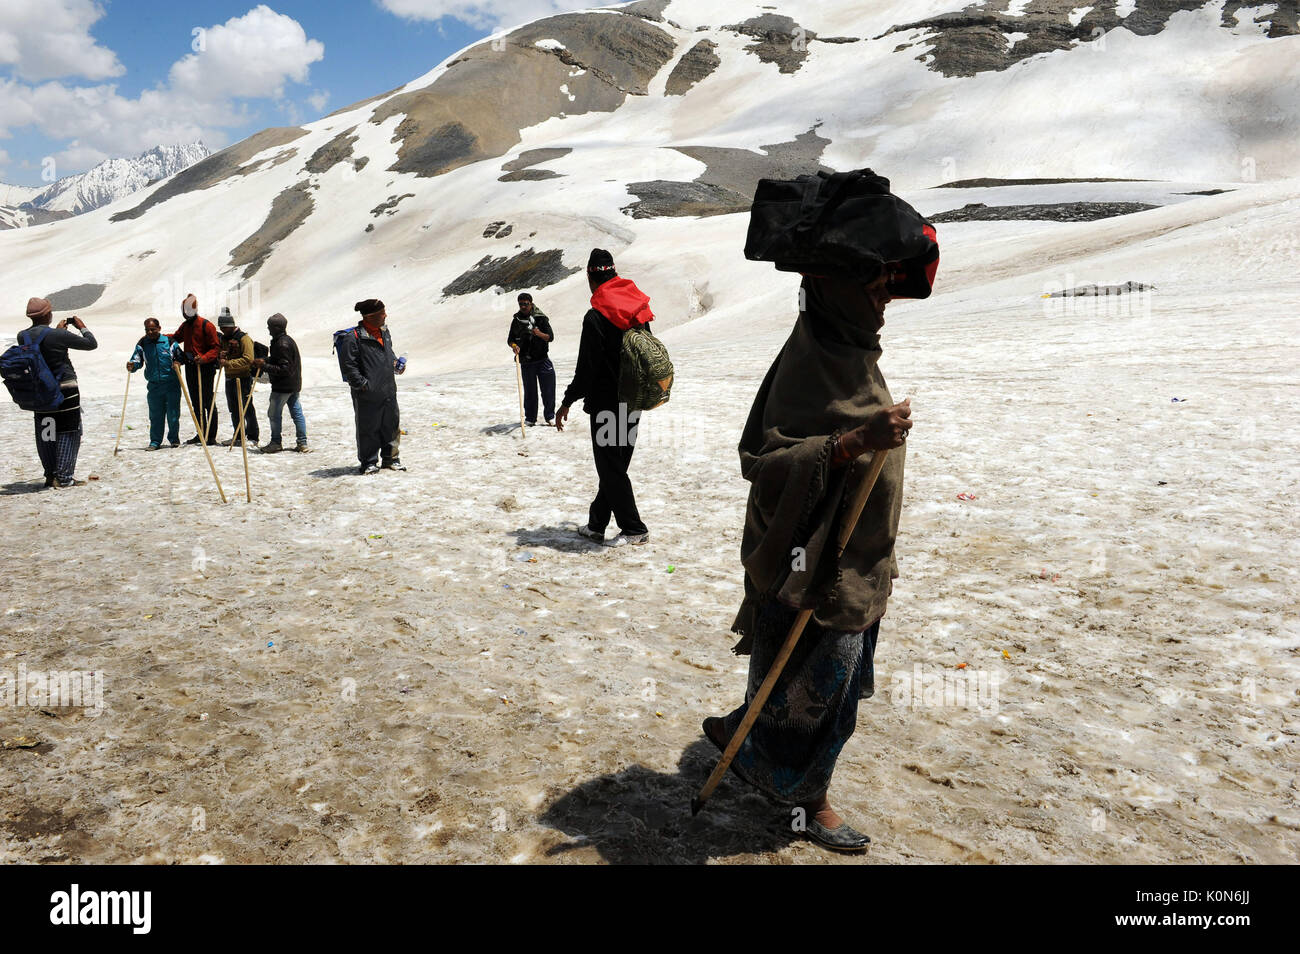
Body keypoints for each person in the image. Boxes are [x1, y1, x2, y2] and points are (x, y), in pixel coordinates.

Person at [701, 271, 913, 853]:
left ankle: (737, 729)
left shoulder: (853, 355)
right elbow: (765, 465)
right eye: (871, 287)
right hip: (810, 572)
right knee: (814, 699)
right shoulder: (808, 365)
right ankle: (808, 800)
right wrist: (852, 444)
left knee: (808, 685)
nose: (884, 298)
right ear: (836, 291)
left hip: (858, 566)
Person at [555, 249, 652, 546]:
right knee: (615, 467)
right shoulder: (636, 308)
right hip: (633, 400)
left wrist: (567, 401)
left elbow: (587, 368)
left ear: (590, 276)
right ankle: (597, 523)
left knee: (610, 468)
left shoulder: (596, 316)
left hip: (607, 404)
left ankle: (634, 529)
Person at [20, 297, 97, 488]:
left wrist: (56, 332)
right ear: (48, 314)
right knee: (69, 431)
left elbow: (43, 344)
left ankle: (50, 474)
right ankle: (64, 477)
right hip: (65, 388)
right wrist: (82, 327)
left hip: (40, 391)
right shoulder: (57, 336)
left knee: (47, 431)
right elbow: (91, 343)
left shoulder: (23, 335)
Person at [340, 298, 405, 474]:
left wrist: (396, 364)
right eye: (382, 313)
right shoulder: (353, 338)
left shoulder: (384, 332)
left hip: (388, 389)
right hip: (367, 393)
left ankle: (391, 459)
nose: (385, 316)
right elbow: (349, 366)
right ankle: (369, 461)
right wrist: (362, 385)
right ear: (370, 316)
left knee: (391, 425)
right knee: (368, 428)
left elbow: (389, 355)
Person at [127, 317, 184, 449]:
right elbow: (137, 360)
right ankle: (155, 441)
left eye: (153, 329)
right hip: (154, 385)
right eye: (147, 330)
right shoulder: (142, 344)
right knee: (155, 415)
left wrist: (177, 362)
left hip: (171, 383)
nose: (150, 332)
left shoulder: (169, 342)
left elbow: (180, 356)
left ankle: (174, 439)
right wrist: (132, 365)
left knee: (173, 414)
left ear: (159, 328)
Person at [255, 312, 308, 453]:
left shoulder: (282, 343)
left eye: (270, 326)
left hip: (282, 386)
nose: (268, 329)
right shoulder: (285, 340)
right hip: (293, 384)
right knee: (297, 413)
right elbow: (279, 360)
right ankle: (302, 443)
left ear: (277, 327)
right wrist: (265, 360)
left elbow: (284, 369)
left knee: (274, 414)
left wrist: (264, 366)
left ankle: (276, 442)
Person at [172, 294, 220, 445]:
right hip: (191, 368)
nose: (185, 313)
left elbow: (216, 348)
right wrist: (158, 337)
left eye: (187, 310)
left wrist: (204, 358)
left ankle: (210, 436)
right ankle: (201, 433)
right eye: (184, 310)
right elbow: (176, 337)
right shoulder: (185, 326)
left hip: (205, 368)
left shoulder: (207, 325)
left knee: (207, 401)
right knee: (196, 402)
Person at [508, 292, 556, 426]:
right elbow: (510, 339)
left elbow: (550, 337)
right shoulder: (516, 320)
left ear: (531, 303)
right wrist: (514, 346)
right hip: (526, 361)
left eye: (525, 304)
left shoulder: (540, 318)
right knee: (530, 392)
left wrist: (539, 333)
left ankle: (550, 416)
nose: (523, 306)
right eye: (521, 304)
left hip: (542, 360)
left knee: (548, 390)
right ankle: (530, 418)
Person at [216, 307, 260, 448]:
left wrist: (227, 363)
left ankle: (253, 436)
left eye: (224, 327)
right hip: (229, 378)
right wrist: (221, 356)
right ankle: (238, 435)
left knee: (247, 408)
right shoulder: (224, 339)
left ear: (230, 326)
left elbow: (248, 359)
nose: (222, 330)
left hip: (243, 378)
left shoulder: (244, 339)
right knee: (234, 408)